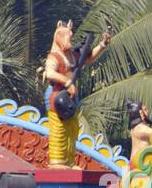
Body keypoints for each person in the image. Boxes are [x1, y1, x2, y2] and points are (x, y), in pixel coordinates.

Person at [42, 20, 110, 167]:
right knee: (59, 128)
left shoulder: (71, 55)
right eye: (64, 35)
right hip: (58, 96)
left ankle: (69, 161)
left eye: (69, 36)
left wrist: (102, 44)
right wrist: (67, 83)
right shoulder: (54, 56)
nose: (68, 39)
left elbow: (88, 58)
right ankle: (57, 161)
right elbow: (50, 73)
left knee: (72, 129)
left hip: (71, 98)